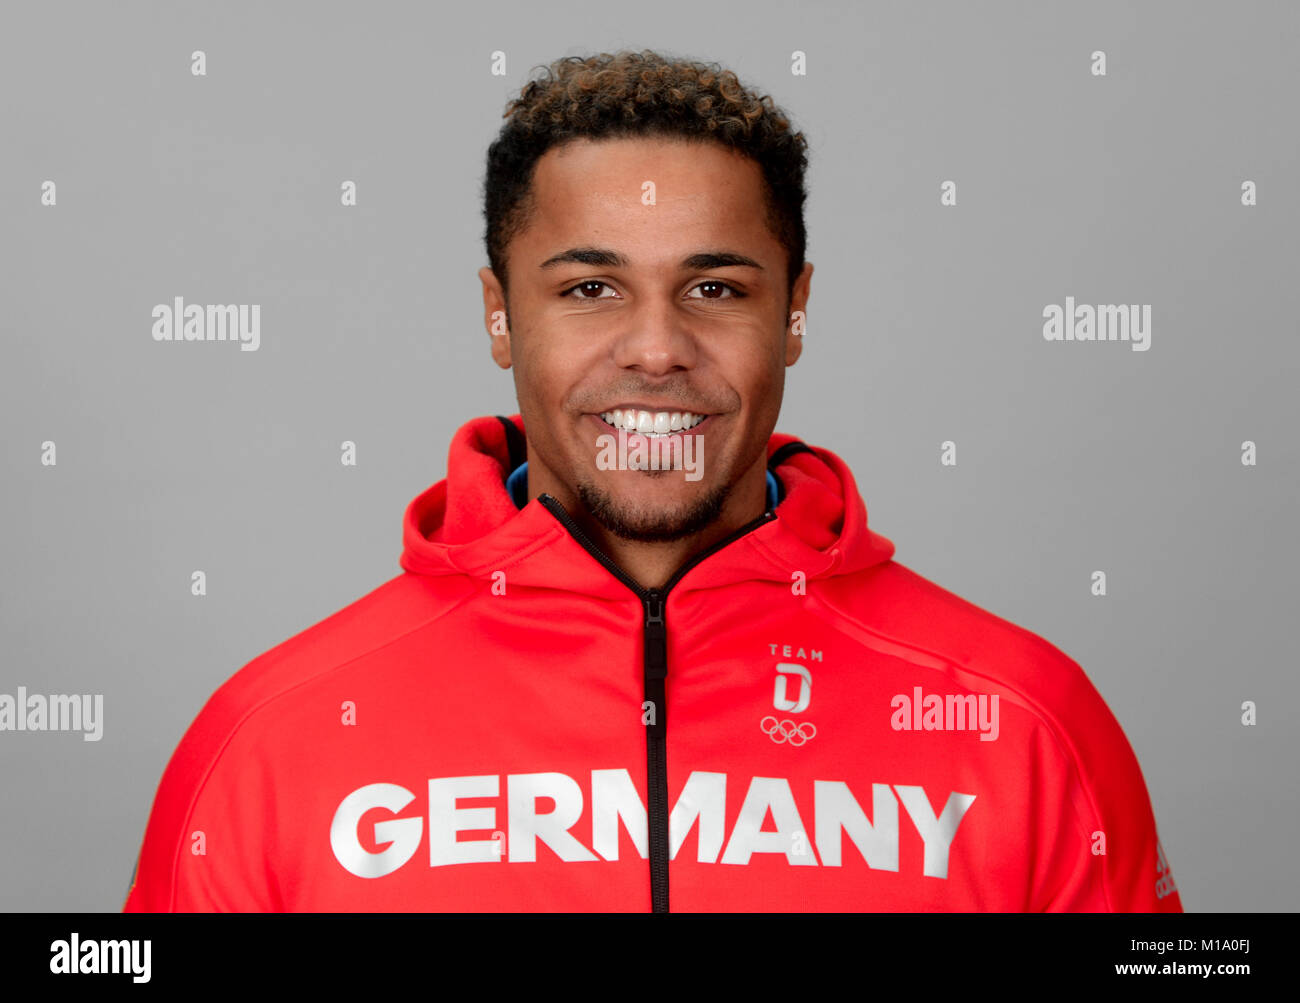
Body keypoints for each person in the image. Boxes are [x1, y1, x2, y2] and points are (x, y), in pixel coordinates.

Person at [123, 49, 1181, 912]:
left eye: (713, 286)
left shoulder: (1024, 724)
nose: (657, 348)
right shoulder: (273, 738)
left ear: (794, 310)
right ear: (499, 314)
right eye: (590, 287)